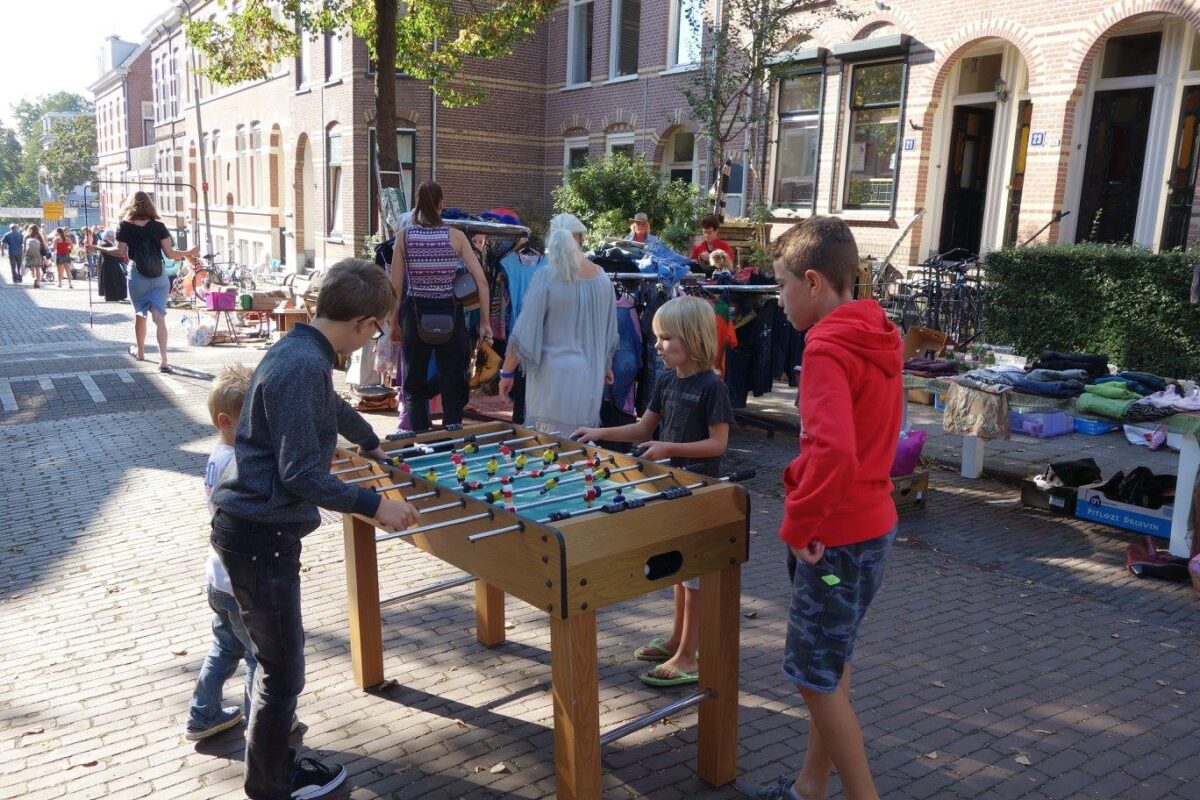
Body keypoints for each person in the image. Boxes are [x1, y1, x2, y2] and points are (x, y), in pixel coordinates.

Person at [211, 259, 421, 800]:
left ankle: (278, 766)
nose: (375, 338)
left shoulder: (298, 347)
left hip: (252, 535)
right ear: (363, 323)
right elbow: (301, 474)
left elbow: (329, 407)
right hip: (261, 540)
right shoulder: (305, 365)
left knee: (280, 664)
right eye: (378, 328)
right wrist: (376, 505)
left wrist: (373, 445)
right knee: (283, 675)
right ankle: (269, 786)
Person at [737, 216, 902, 800]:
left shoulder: (828, 348)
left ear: (812, 282)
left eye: (781, 286)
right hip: (871, 527)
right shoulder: (876, 331)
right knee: (831, 666)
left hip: (835, 537)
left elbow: (833, 449)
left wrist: (801, 522)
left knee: (812, 675)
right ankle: (810, 787)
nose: (778, 302)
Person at [571, 296, 733, 686]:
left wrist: (669, 448)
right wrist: (600, 432)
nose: (656, 345)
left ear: (692, 338)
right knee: (679, 571)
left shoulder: (712, 386)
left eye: (665, 338)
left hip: (699, 493)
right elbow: (644, 429)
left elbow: (718, 445)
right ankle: (677, 638)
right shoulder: (664, 379)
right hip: (671, 491)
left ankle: (689, 657)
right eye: (656, 337)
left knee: (694, 577)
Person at [186, 363, 260, 741]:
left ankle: (203, 715)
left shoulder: (219, 456)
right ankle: (262, 727)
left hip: (218, 578)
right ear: (225, 420)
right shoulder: (238, 463)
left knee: (225, 645)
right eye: (253, 419)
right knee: (258, 657)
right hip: (239, 581)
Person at [498, 213, 618, 434]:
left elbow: (524, 332)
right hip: (588, 378)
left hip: (550, 378)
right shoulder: (603, 280)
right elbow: (610, 333)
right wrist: (606, 365)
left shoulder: (546, 276)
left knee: (547, 451)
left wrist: (507, 373)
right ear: (581, 238)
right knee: (579, 448)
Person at [389, 181, 491, 433]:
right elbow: (481, 281)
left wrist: (393, 322)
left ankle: (422, 437)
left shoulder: (404, 237)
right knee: (452, 379)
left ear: (418, 204)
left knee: (413, 383)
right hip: (449, 313)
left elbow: (396, 286)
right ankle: (452, 434)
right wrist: (485, 322)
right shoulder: (455, 236)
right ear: (440, 203)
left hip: (415, 315)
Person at [89, 192, 198, 372]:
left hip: (137, 275)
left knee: (140, 314)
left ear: (130, 205)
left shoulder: (124, 226)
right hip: (159, 275)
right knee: (159, 317)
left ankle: (140, 352)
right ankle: (164, 360)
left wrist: (96, 247)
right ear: (150, 206)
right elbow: (170, 254)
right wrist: (189, 252)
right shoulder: (159, 226)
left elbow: (119, 252)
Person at [97, 230, 128, 301]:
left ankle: (119, 296)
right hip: (109, 264)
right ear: (106, 236)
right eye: (110, 236)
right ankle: (111, 296)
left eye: (112, 237)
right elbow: (111, 253)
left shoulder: (110, 243)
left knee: (119, 280)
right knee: (110, 281)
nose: (112, 238)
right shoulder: (104, 243)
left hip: (114, 263)